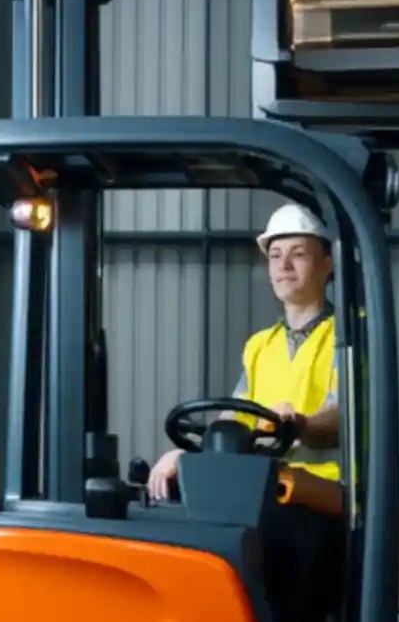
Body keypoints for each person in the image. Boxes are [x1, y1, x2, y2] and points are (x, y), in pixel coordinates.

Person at [147, 202, 343, 501]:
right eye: (275, 256)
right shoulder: (260, 346)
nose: (284, 265)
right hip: (262, 487)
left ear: (327, 264)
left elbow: (342, 416)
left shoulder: (345, 336)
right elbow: (235, 422)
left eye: (298, 254)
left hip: (322, 493)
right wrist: (190, 456)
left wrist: (299, 424)